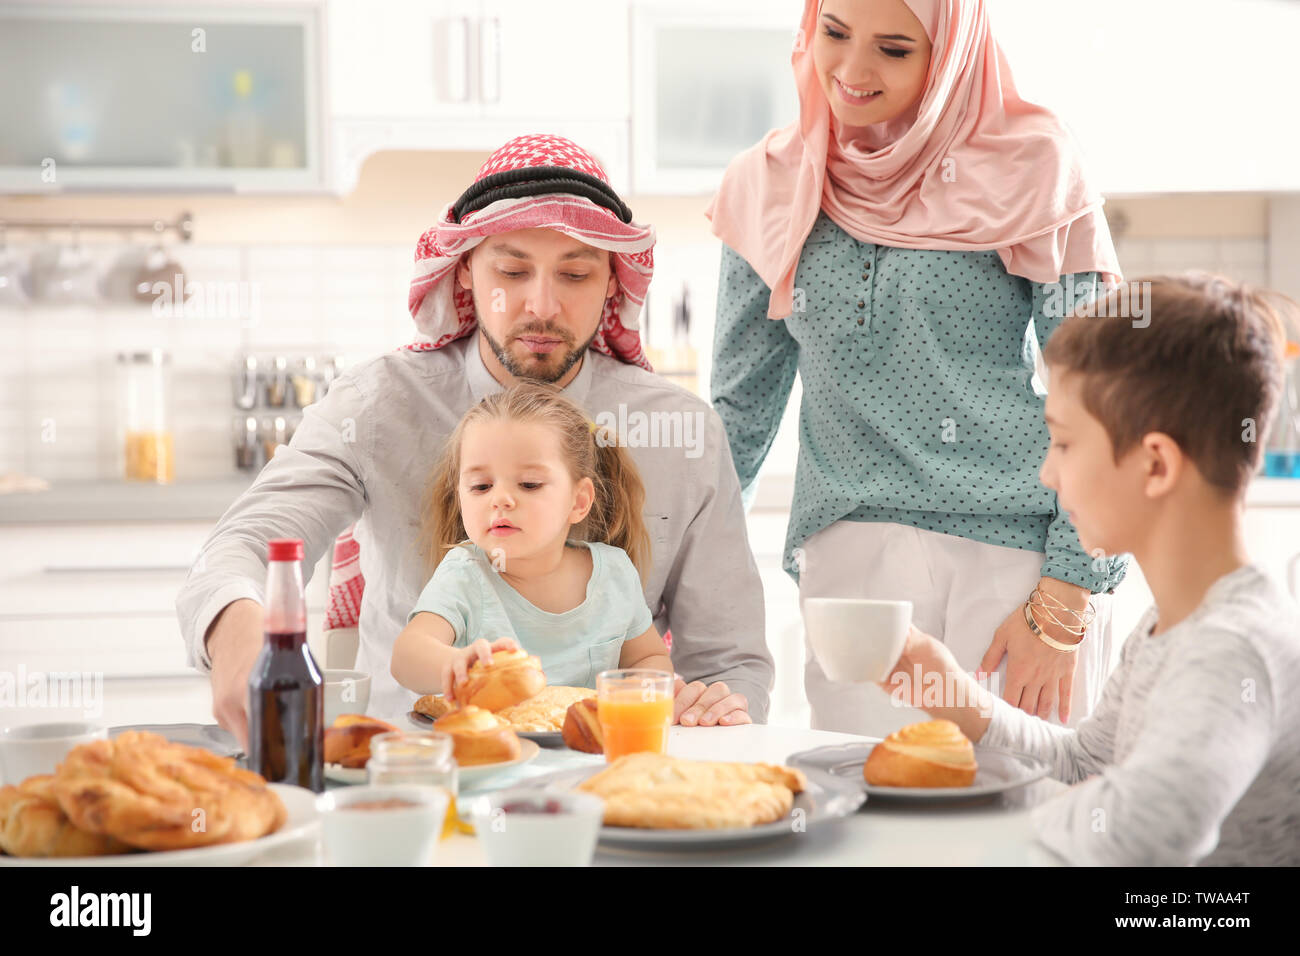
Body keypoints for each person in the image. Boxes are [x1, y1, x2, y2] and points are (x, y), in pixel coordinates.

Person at [176, 134, 773, 746]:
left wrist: (718, 709)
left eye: (575, 273)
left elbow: (731, 664)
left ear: (613, 282)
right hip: (412, 766)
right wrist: (236, 634)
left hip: (613, 775)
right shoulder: (377, 405)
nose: (542, 305)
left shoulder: (685, 434)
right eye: (512, 271)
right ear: (465, 271)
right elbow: (247, 543)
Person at [707, 0, 1128, 736]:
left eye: (895, 49)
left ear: (951, 54)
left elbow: (1106, 393)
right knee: (868, 827)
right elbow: (739, 417)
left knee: (1028, 823)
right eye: (834, 33)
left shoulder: (1032, 164)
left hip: (1022, 563)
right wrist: (676, 579)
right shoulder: (767, 184)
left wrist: (1068, 598)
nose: (852, 70)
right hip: (853, 567)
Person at [883, 273, 1300, 865]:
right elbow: (1087, 767)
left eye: (1065, 444)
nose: (1047, 475)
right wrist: (952, 693)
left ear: (1155, 465)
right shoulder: (1173, 624)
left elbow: (1138, 832)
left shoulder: (1229, 650)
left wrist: (959, 837)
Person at [391, 382, 672, 696]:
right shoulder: (465, 573)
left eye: (529, 484)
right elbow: (407, 657)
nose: (500, 499)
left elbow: (649, 657)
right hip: (492, 745)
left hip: (594, 744)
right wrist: (457, 664)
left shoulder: (614, 571)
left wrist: (644, 690)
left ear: (579, 501)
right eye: (481, 486)